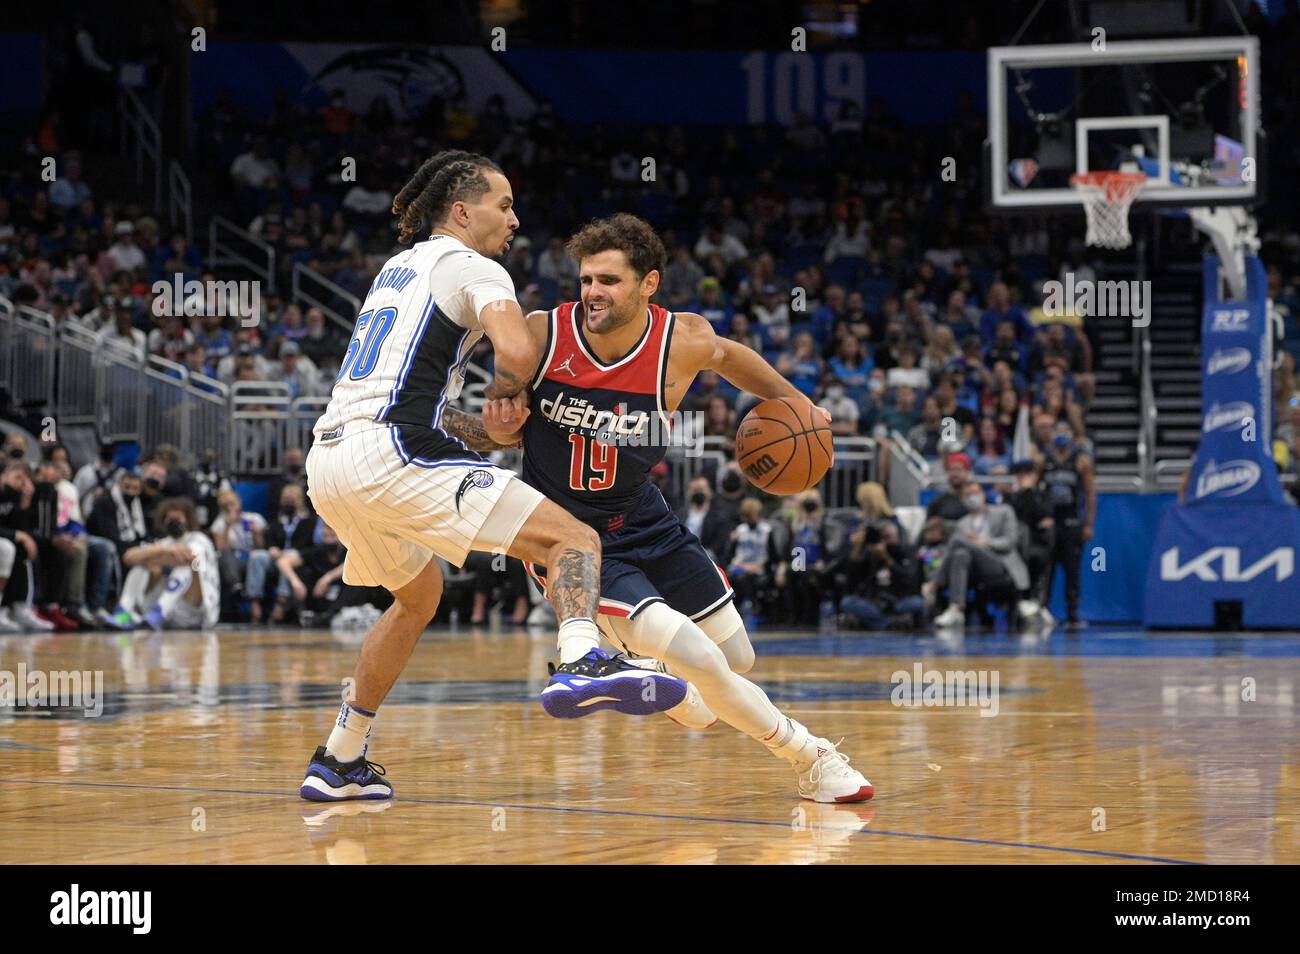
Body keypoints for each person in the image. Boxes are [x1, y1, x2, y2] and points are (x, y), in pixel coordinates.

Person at [299, 153, 683, 803]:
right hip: (392, 453)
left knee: (419, 597)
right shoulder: (472, 265)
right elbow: (518, 349)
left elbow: (416, 385)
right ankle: (582, 655)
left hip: (330, 459)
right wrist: (511, 392)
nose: (514, 218)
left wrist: (484, 419)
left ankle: (340, 757)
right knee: (574, 539)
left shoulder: (397, 269)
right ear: (461, 211)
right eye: (502, 205)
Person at [483, 213, 872, 802]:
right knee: (699, 656)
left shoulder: (679, 341)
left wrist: (797, 402)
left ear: (649, 283)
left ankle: (657, 673)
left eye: (609, 280)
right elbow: (501, 427)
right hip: (572, 540)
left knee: (734, 657)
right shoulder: (543, 334)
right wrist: (500, 422)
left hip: (645, 518)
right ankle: (810, 755)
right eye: (587, 279)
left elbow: (730, 355)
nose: (593, 292)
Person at [927, 482, 1036, 629]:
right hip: (973, 568)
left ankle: (934, 584)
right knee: (960, 554)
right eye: (967, 495)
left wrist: (984, 543)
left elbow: (1010, 541)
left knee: (958, 541)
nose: (972, 497)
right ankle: (956, 609)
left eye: (975, 493)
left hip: (999, 563)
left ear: (983, 494)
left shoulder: (1003, 511)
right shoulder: (962, 523)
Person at [110, 497, 219, 631]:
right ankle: (124, 611)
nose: (173, 522)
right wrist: (163, 550)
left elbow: (188, 558)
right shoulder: (164, 543)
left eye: (178, 518)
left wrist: (152, 557)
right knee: (140, 566)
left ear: (188, 519)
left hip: (193, 609)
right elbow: (129, 557)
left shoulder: (199, 538)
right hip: (165, 616)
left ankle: (160, 610)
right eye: (169, 519)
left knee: (188, 565)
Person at [1041, 424, 1095, 629]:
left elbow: (1090, 495)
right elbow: (1038, 491)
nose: (1061, 435)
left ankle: (1072, 614)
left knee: (1072, 571)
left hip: (1072, 523)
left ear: (1072, 436)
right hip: (1050, 523)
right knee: (1047, 570)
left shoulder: (1081, 461)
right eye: (1057, 431)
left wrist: (1089, 523)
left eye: (1065, 431)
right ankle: (1043, 611)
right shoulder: (1044, 461)